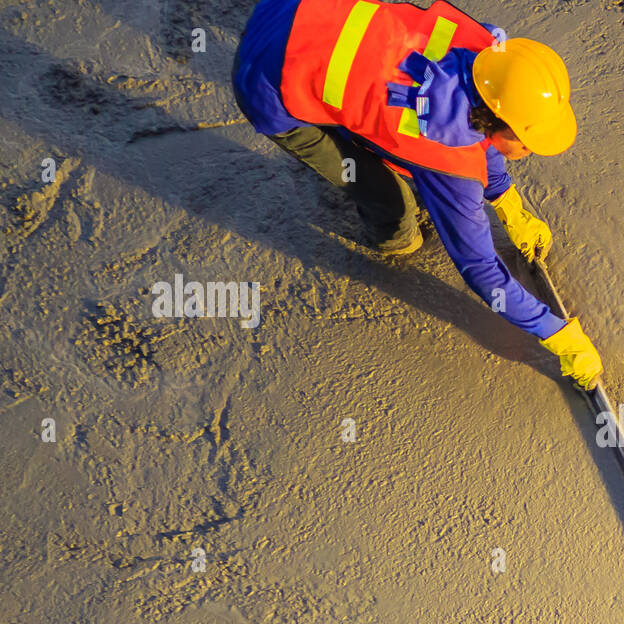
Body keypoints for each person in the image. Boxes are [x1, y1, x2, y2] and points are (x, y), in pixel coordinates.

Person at [231, 0, 602, 389]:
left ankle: (343, 115)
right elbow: (481, 271)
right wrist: (558, 335)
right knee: (393, 204)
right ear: (496, 122)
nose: (528, 150)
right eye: (526, 142)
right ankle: (394, 241)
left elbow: (488, 138)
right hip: (266, 84)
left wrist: (507, 201)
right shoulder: (448, 161)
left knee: (363, 110)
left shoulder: (484, 56)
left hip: (298, 11)